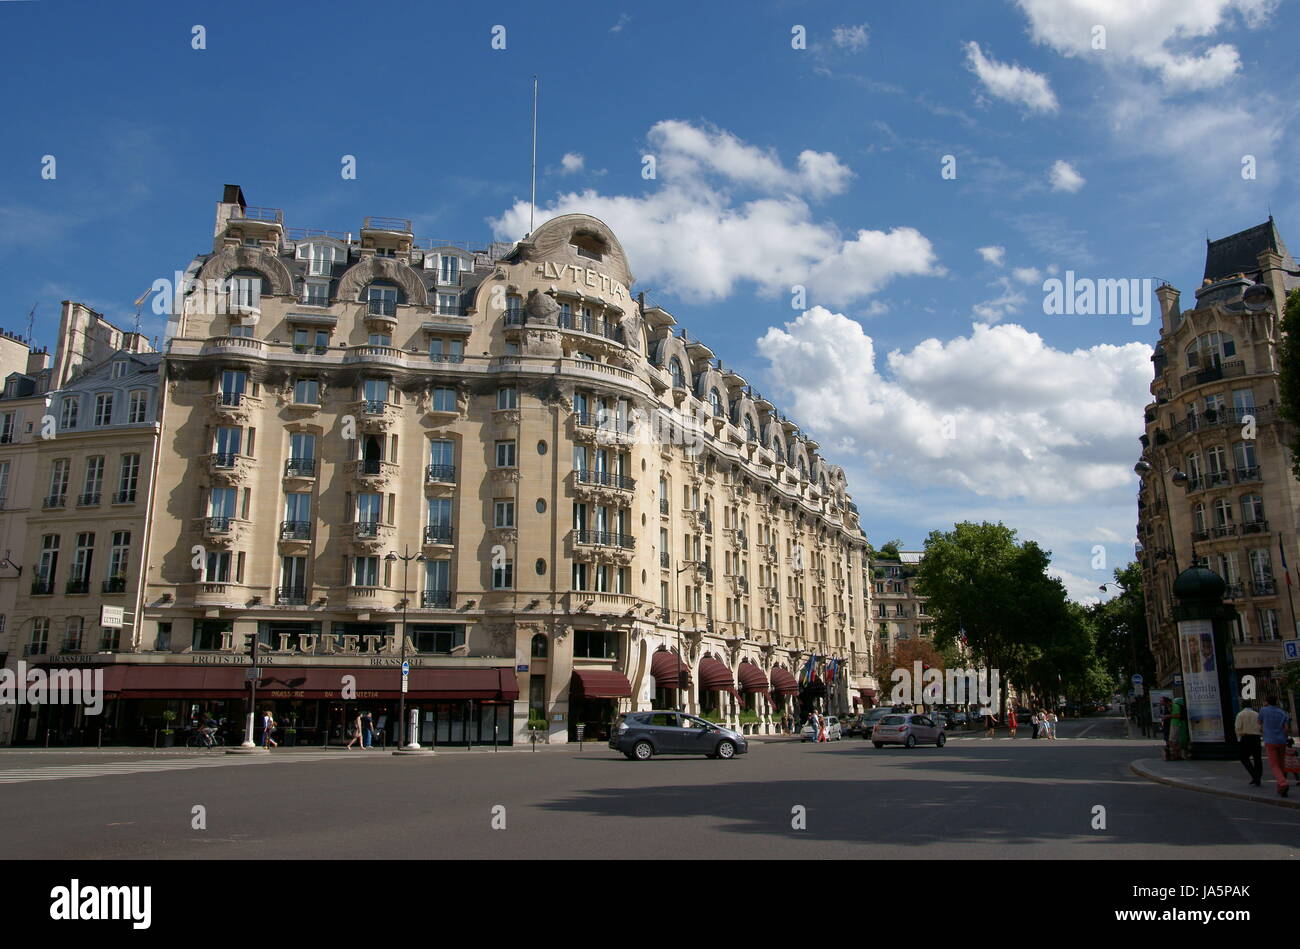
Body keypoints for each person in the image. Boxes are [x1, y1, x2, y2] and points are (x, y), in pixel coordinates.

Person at [1259, 694, 1293, 797]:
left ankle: (1283, 783)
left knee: (1274, 765)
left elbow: (1259, 723)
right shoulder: (1283, 713)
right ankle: (1280, 788)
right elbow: (1286, 729)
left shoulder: (1263, 710)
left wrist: (1263, 730)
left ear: (1266, 702)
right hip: (1281, 740)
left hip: (1270, 740)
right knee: (1281, 764)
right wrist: (1285, 737)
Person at [1234, 699, 1263, 787]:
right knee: (1257, 758)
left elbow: (1237, 727)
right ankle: (1257, 777)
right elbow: (1261, 726)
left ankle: (1254, 775)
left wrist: (1239, 736)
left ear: (1242, 706)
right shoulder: (1257, 714)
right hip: (1256, 737)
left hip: (1246, 737)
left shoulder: (1240, 714)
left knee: (1243, 757)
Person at [1169, 697, 1190, 761]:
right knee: (1182, 740)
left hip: (1177, 724)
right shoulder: (1183, 708)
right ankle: (1182, 755)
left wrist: (1169, 715)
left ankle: (1176, 754)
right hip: (1182, 724)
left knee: (1175, 740)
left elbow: (1177, 715)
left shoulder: (1176, 706)